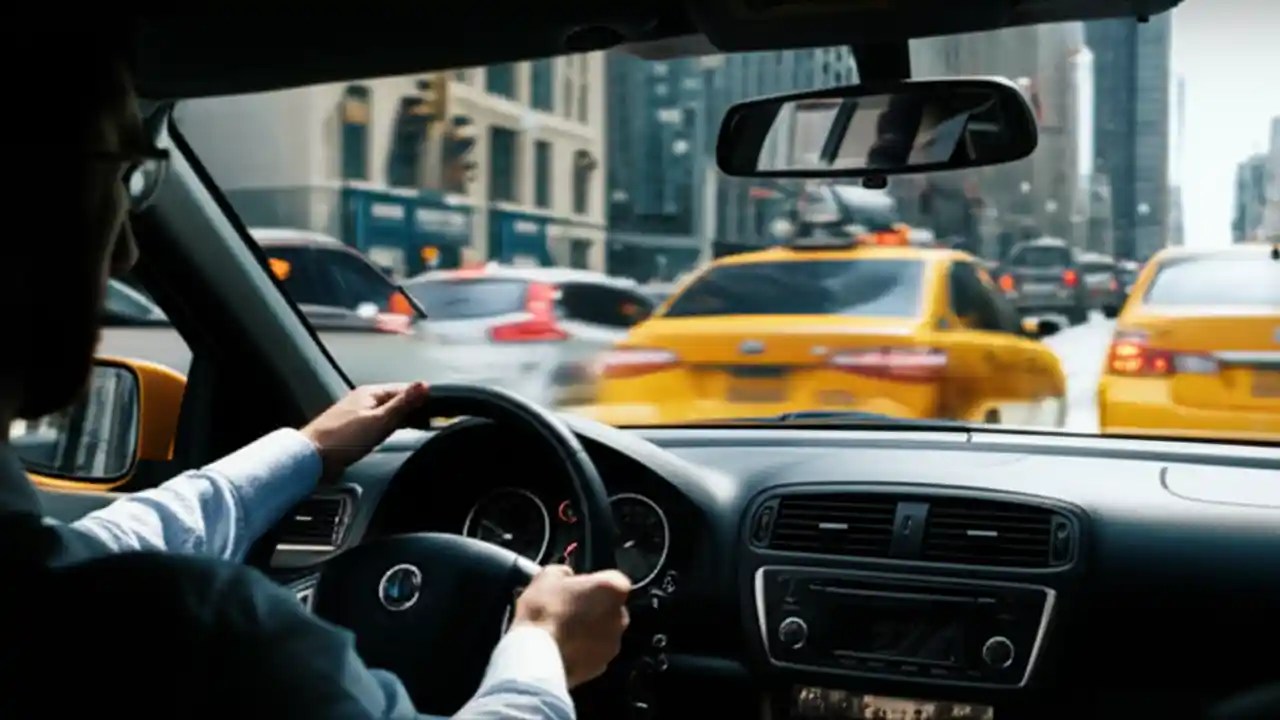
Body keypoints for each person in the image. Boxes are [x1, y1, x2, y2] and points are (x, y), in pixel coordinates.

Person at [0, 32, 630, 719]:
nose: (125, 253)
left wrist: (308, 450)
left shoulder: (58, 591)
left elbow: (94, 548)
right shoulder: (208, 642)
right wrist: (543, 648)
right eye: (122, 176)